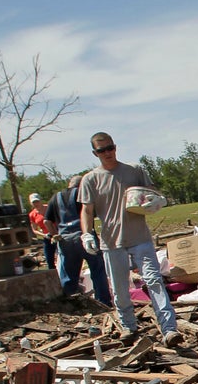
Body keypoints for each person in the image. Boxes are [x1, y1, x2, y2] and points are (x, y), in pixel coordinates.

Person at [78, 132, 182, 346]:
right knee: (119, 289)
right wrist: (87, 233)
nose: (107, 153)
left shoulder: (134, 171)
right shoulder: (90, 179)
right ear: (95, 153)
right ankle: (128, 327)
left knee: (154, 281)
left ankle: (169, 329)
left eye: (110, 148)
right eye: (102, 150)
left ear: (115, 147)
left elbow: (151, 192)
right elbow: (86, 210)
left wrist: (156, 200)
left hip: (140, 238)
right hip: (111, 242)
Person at [44, 175, 112, 306]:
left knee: (69, 274)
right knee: (97, 270)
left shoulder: (55, 197)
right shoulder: (82, 195)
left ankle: (72, 303)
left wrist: (54, 234)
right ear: (81, 185)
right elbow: (91, 212)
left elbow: (46, 221)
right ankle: (103, 302)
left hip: (65, 240)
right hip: (84, 237)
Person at [26, 193, 55, 270]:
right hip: (47, 236)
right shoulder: (32, 214)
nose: (36, 204)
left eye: (37, 201)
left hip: (56, 233)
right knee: (49, 258)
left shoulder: (49, 208)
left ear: (40, 201)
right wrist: (44, 235)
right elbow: (34, 229)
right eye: (34, 202)